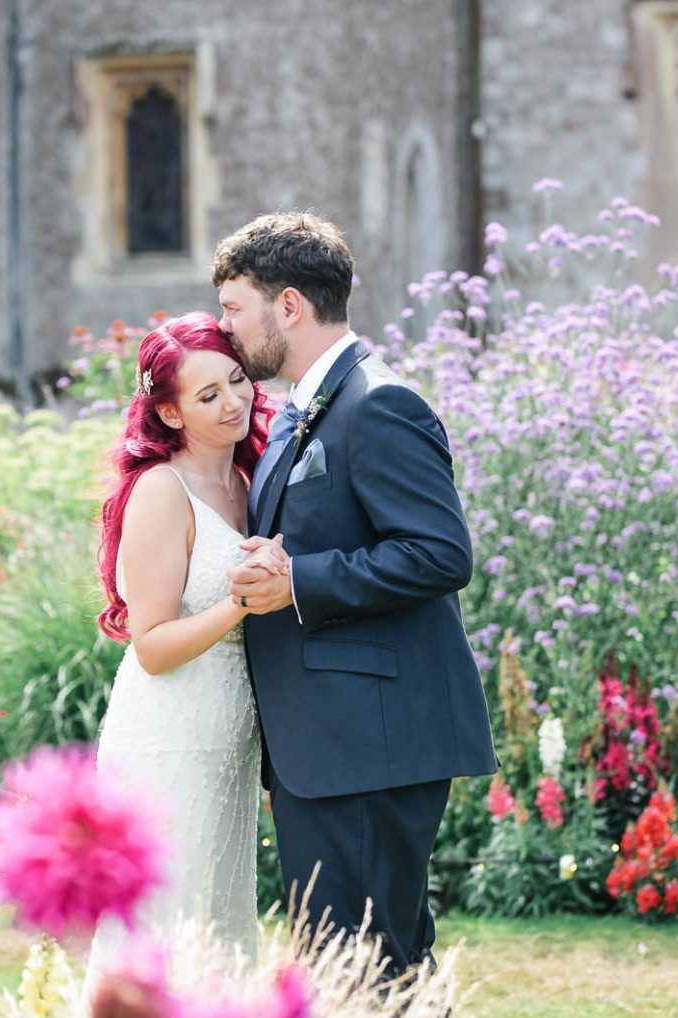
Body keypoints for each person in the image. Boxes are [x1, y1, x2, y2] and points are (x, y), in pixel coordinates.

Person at [215, 212, 498, 976]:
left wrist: (297, 583)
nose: (225, 327)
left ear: (289, 307)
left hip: (372, 745)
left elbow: (440, 553)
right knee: (360, 965)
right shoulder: (296, 414)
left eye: (234, 308)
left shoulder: (379, 405)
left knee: (367, 966)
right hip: (325, 745)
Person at [83, 311, 286, 987]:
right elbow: (152, 646)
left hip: (230, 735)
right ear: (169, 412)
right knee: (167, 924)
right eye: (207, 395)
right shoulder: (161, 491)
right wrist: (241, 600)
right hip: (168, 733)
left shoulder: (251, 479)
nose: (233, 402)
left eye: (237, 381)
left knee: (222, 918)